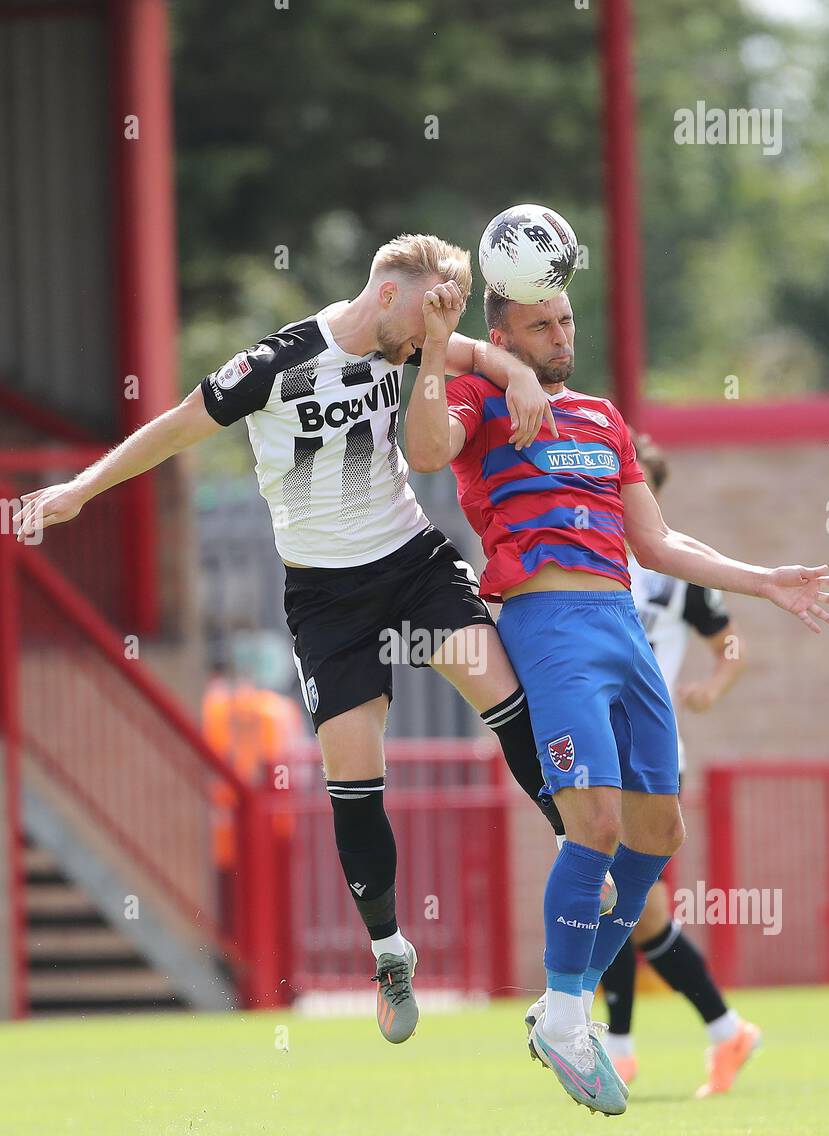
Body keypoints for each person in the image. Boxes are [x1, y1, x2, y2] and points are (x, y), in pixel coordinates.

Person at [15, 234, 592, 1046]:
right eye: (424, 317)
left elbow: (479, 357)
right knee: (356, 778)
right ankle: (391, 950)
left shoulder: (416, 335)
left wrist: (522, 371)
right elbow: (179, 426)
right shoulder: (276, 364)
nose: (429, 339)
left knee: (504, 695)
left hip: (413, 562)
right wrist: (80, 488)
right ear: (388, 294)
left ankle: (580, 847)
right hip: (325, 595)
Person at [405, 281, 829, 1118]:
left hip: (620, 621)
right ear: (505, 333)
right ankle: (570, 1014)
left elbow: (656, 540)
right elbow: (428, 452)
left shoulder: (603, 418)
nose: (561, 333)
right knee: (595, 824)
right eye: (541, 324)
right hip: (547, 621)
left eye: (567, 318)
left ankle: (563, 1007)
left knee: (660, 831)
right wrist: (439, 349)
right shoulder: (478, 396)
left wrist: (763, 582)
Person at [600, 434, 760, 1098]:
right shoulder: (592, 554)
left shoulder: (672, 563)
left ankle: (623, 1047)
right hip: (600, 743)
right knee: (631, 907)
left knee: (617, 899)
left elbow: (732, 644)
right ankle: (724, 1033)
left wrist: (711, 690)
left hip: (652, 750)